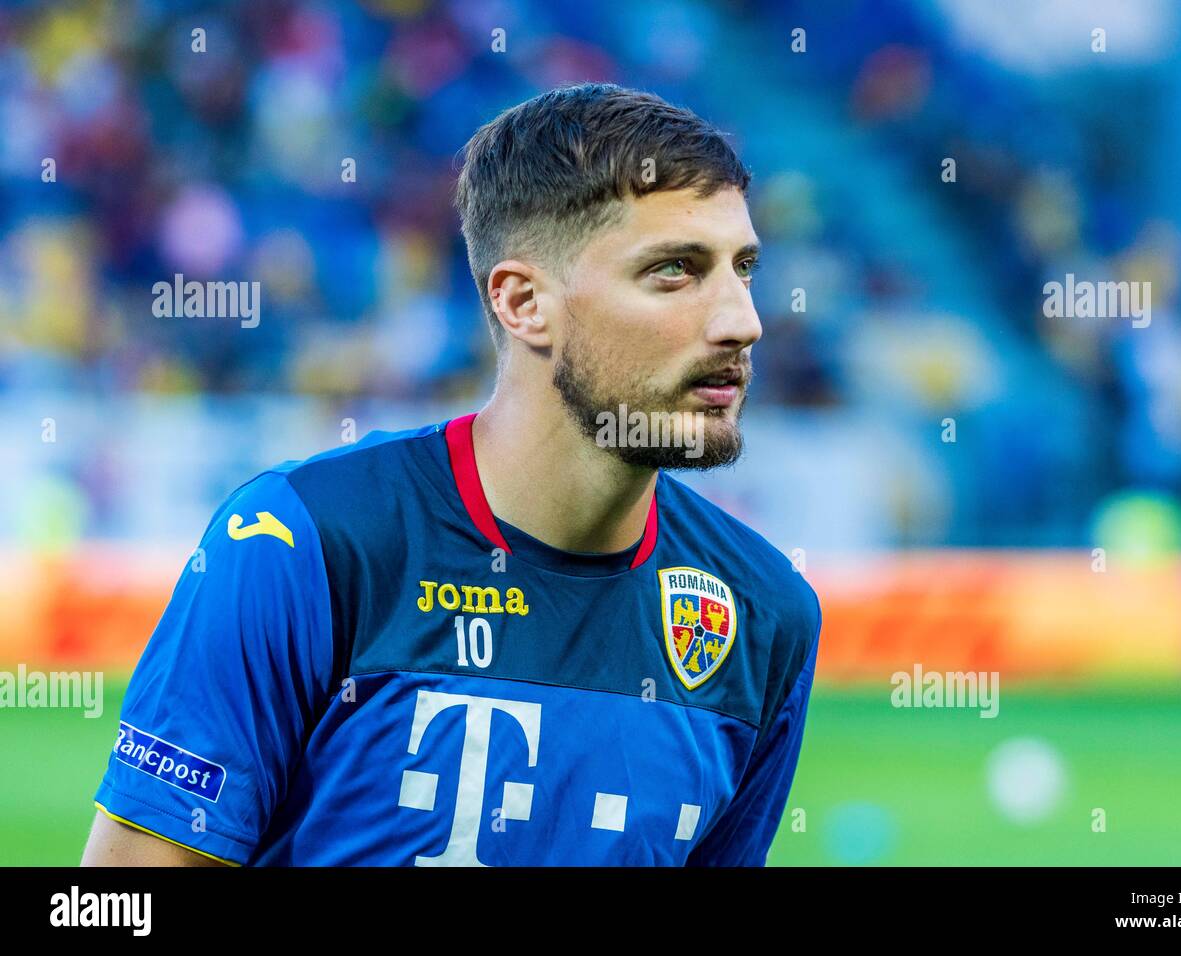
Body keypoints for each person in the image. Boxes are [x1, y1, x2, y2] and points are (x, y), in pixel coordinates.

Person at [81, 82, 820, 866]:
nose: (742, 320)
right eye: (675, 270)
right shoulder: (302, 541)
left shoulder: (763, 612)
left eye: (744, 268)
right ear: (523, 303)